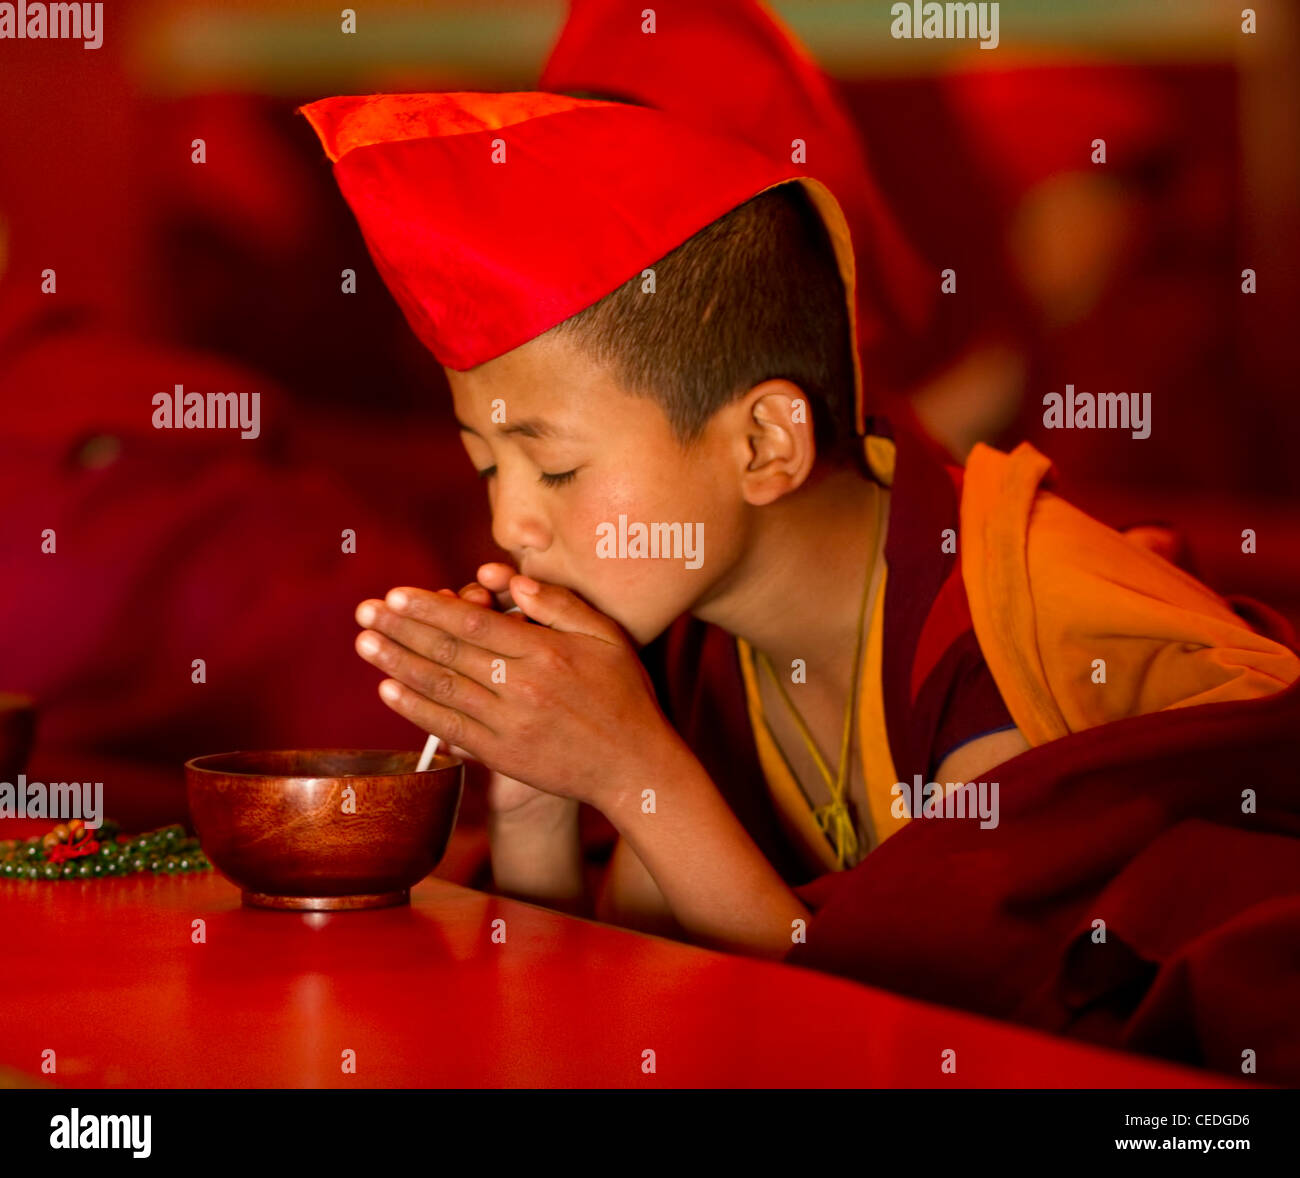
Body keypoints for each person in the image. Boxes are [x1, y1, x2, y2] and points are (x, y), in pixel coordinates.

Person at [298, 91, 1299, 965]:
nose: (511, 519)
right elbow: (624, 980)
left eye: (557, 467)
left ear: (766, 442)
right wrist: (537, 797)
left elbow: (912, 1042)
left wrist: (631, 766)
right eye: (486, 463)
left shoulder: (1005, 636)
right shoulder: (704, 633)